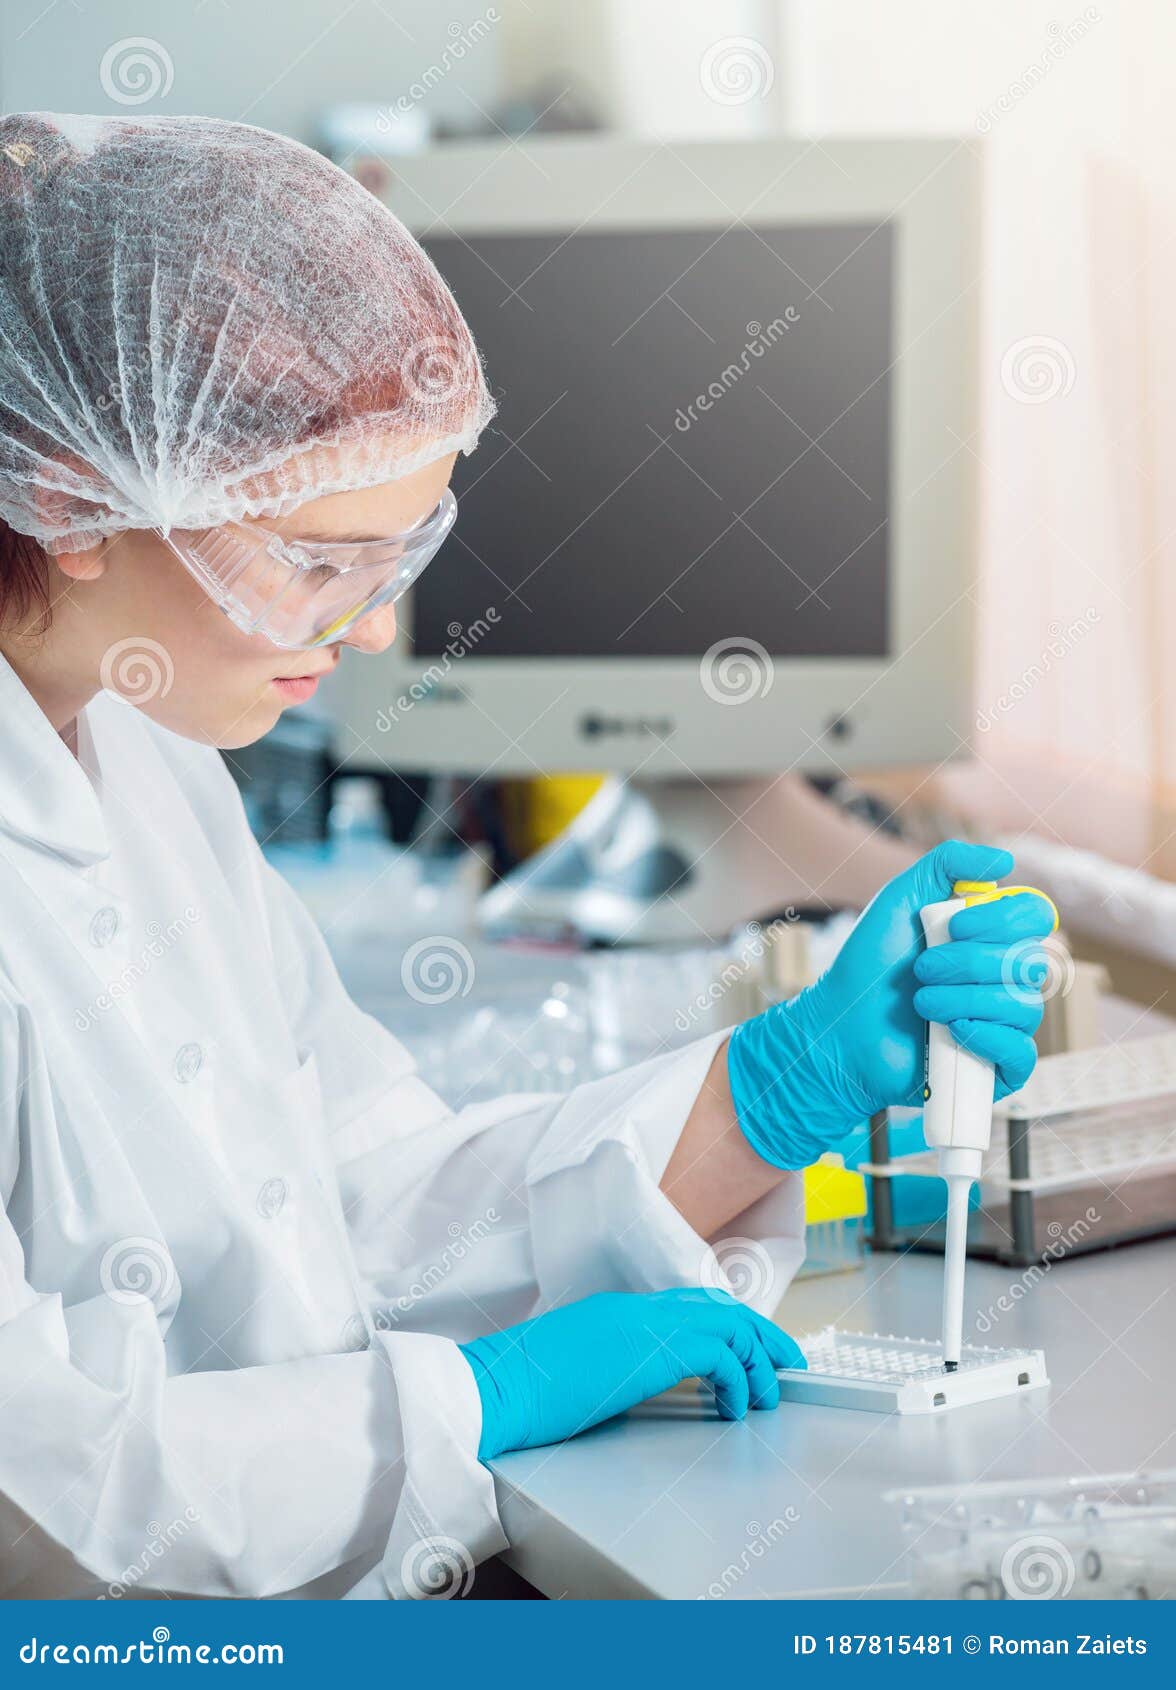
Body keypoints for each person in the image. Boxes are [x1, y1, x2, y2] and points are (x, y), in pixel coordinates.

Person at [0, 113, 1053, 1600]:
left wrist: (775, 1088)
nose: (371, 630)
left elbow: (350, 1196)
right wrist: (478, 1400)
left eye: (397, 557)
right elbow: (43, 1506)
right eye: (313, 564)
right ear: (64, 491)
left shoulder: (151, 753)